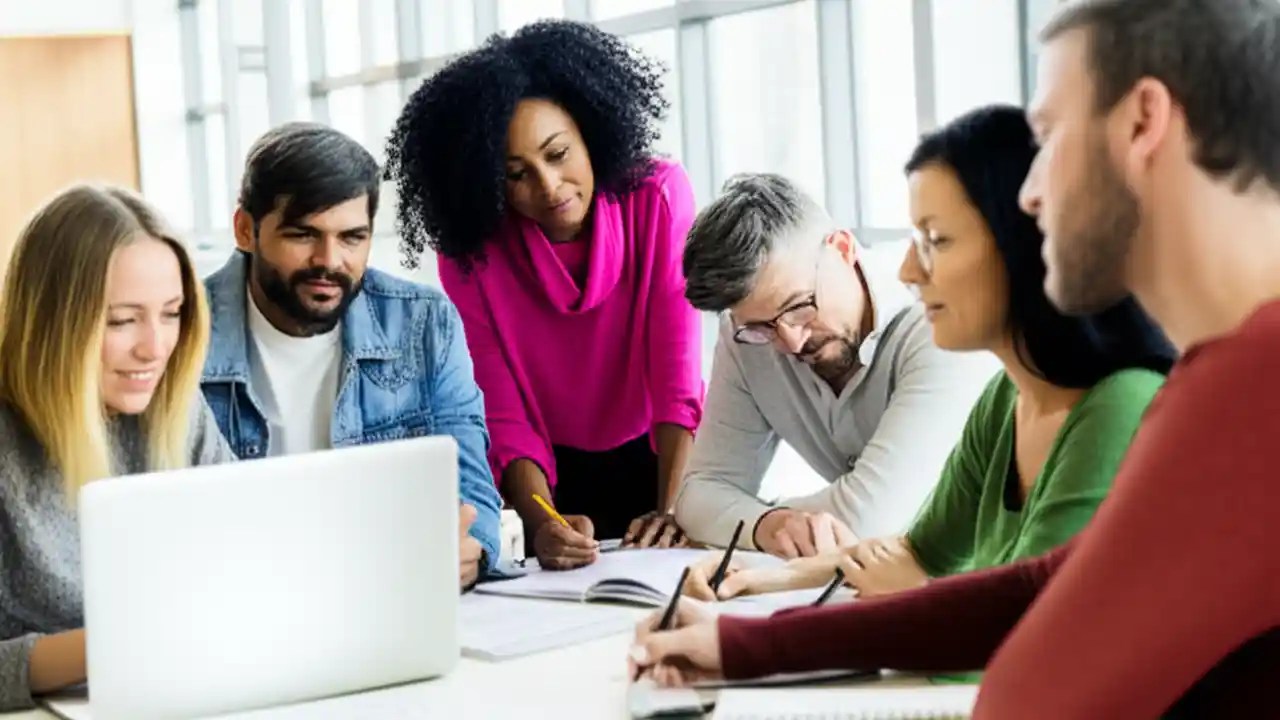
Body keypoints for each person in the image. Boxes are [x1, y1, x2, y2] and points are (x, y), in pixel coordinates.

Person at [630, 1, 1280, 716]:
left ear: (1142, 122)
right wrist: (742, 646)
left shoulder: (1239, 388)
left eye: (1049, 137)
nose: (1029, 194)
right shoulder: (1215, 375)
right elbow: (1042, 589)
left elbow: (1030, 686)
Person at [681, 106, 1175, 605]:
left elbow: (1015, 616)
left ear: (1019, 243)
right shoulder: (1004, 399)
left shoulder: (1118, 404)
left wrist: (742, 637)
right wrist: (759, 580)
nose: (907, 271)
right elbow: (915, 557)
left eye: (936, 240)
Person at [385, 20, 704, 570]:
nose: (549, 187)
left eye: (558, 154)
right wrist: (543, 522)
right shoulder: (471, 251)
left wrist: (676, 510)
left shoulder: (658, 197)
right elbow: (502, 411)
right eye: (517, 174)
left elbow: (677, 379)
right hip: (544, 476)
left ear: (590, 133)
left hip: (668, 456)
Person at [200, 123, 502, 589]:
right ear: (245, 230)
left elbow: (471, 487)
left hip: (384, 591)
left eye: (352, 238)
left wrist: (470, 551)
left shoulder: (424, 323)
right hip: (240, 593)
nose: (329, 260)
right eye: (303, 235)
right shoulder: (180, 332)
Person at [674, 173, 998, 558]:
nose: (791, 342)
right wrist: (768, 525)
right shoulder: (746, 336)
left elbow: (869, 519)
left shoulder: (939, 322)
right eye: (762, 327)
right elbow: (699, 494)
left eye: (799, 306)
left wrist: (742, 519)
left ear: (843, 249)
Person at [0, 185, 234, 711]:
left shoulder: (176, 407)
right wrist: (104, 649)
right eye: (122, 320)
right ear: (52, 323)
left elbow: (244, 547)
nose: (155, 348)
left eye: (172, 313)